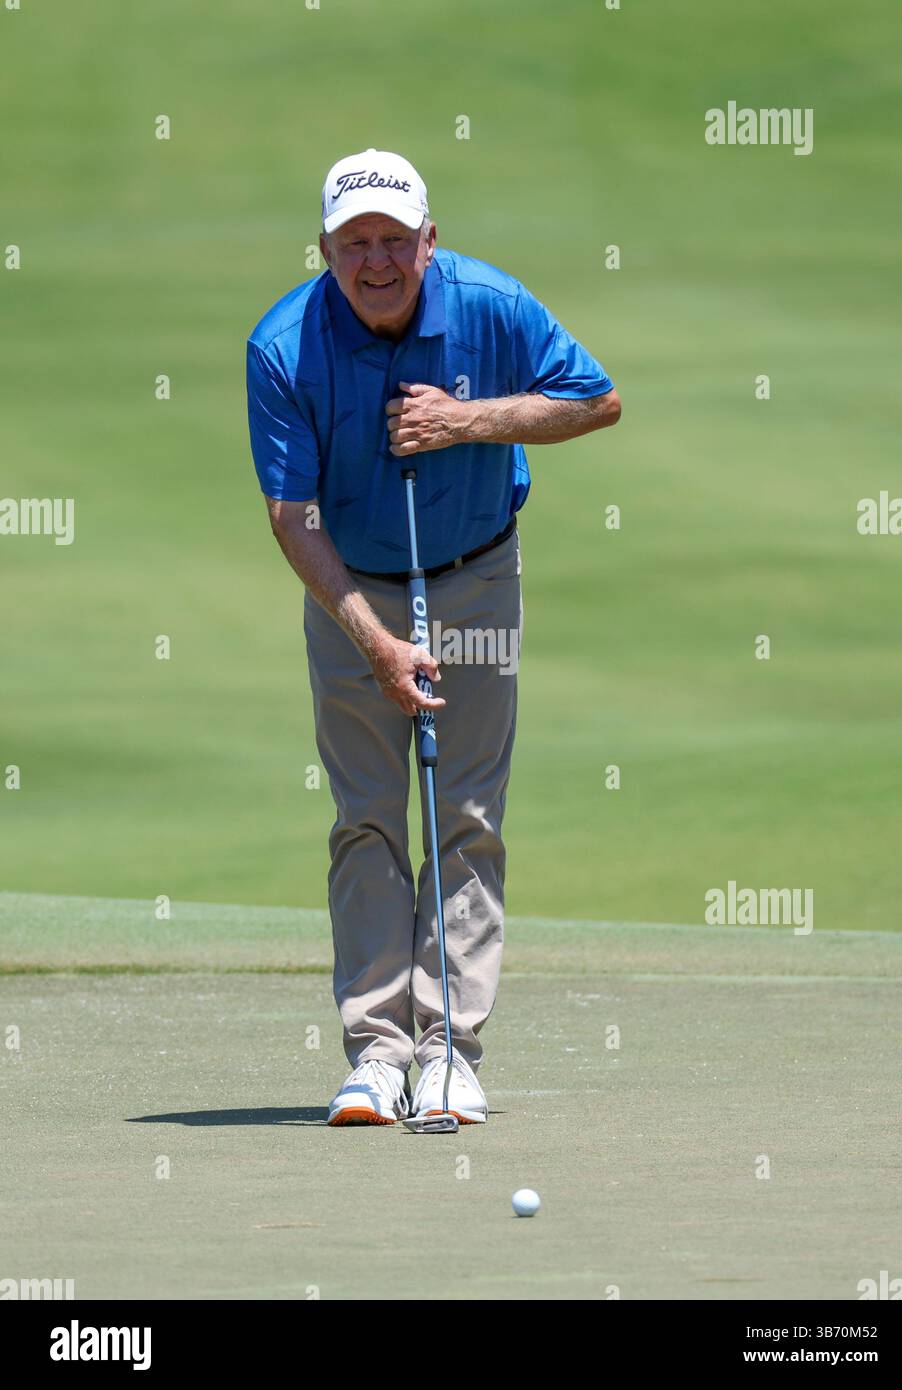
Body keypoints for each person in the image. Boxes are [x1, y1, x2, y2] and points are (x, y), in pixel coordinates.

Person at [247, 148, 620, 1126]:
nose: (375, 261)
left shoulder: (493, 304)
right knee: (367, 816)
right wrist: (370, 637)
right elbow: (294, 516)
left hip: (477, 579)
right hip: (352, 595)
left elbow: (598, 399)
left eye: (393, 240)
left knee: (467, 815)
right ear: (324, 248)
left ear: (428, 239)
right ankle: (377, 1052)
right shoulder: (282, 345)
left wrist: (470, 419)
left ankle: (452, 1050)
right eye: (352, 242)